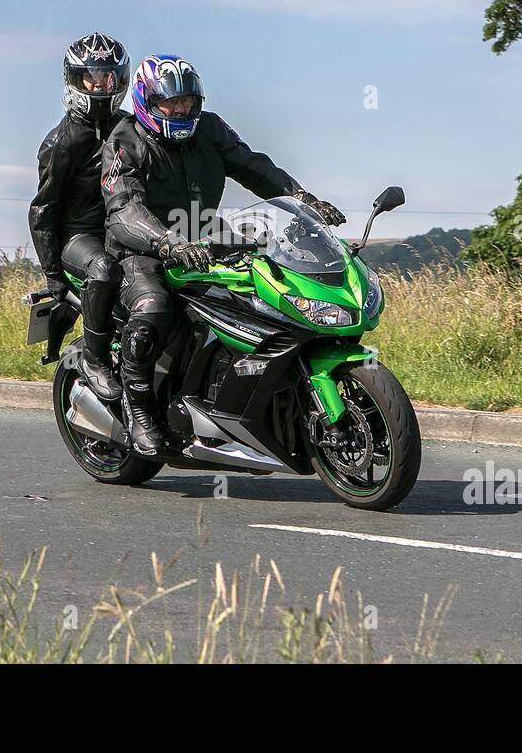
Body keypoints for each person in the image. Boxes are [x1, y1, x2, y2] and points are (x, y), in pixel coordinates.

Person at [100, 54, 345, 456]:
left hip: (202, 236)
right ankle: (139, 405)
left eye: (187, 101)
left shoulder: (209, 129)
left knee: (269, 279)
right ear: (147, 100)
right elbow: (124, 207)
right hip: (140, 249)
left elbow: (252, 166)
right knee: (154, 309)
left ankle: (245, 393)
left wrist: (302, 198)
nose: (181, 109)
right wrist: (166, 242)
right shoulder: (124, 142)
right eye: (170, 102)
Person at [28, 32, 131, 401]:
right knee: (103, 268)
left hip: (123, 229)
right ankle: (94, 359)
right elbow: (42, 209)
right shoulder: (62, 142)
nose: (102, 84)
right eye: (92, 76)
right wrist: (53, 275)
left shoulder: (129, 127)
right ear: (75, 80)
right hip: (80, 236)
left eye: (109, 75)